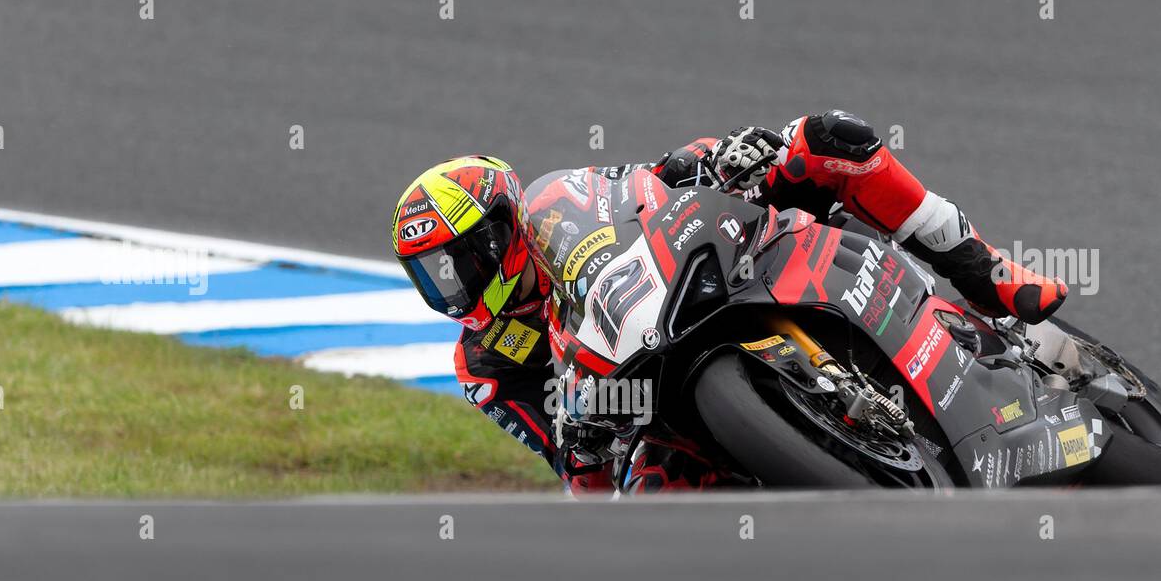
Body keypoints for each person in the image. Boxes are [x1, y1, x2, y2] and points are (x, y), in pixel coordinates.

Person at [390, 112, 1068, 492]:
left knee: (829, 140)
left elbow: (644, 187)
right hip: (652, 414)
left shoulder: (553, 208)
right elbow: (567, 465)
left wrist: (719, 159)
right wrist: (582, 448)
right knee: (646, 502)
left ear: (503, 227)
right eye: (433, 277)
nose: (454, 286)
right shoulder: (484, 361)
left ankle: (987, 273)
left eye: (461, 261)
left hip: (701, 272)